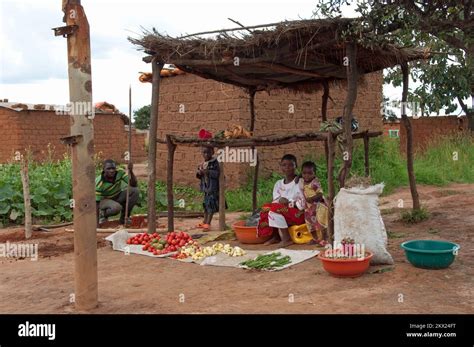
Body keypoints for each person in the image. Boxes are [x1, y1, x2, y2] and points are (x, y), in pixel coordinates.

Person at [257, 154, 305, 247]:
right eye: (284, 165)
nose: (287, 168)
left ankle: (286, 239)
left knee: (275, 208)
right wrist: (280, 202)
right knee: (266, 208)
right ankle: (275, 236)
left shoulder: (300, 182)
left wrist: (289, 202)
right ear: (280, 166)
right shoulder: (278, 183)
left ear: (296, 166)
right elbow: (275, 200)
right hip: (282, 210)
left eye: (291, 165)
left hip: (297, 212)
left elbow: (303, 202)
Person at [95, 159, 139, 226]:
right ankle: (103, 214)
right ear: (103, 169)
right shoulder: (99, 183)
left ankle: (124, 218)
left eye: (113, 168)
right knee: (117, 208)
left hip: (117, 195)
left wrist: (131, 171)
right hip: (104, 200)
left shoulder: (119, 172)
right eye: (108, 169)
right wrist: (96, 222)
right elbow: (96, 203)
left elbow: (134, 184)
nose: (112, 171)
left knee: (134, 191)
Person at [299, 161, 328, 245]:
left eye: (310, 173)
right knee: (310, 224)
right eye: (304, 173)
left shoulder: (314, 182)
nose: (306, 175)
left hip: (318, 206)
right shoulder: (302, 182)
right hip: (309, 208)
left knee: (321, 222)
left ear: (314, 174)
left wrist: (312, 199)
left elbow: (320, 194)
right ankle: (315, 239)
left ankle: (324, 239)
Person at [196, 146, 221, 231]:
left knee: (210, 206)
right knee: (205, 206)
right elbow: (200, 176)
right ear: (202, 153)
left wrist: (208, 172)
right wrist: (199, 172)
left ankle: (208, 223)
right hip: (206, 188)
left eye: (208, 152)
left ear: (212, 152)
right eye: (204, 152)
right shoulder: (203, 163)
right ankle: (204, 221)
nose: (206, 154)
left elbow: (217, 174)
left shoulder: (215, 162)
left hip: (212, 188)